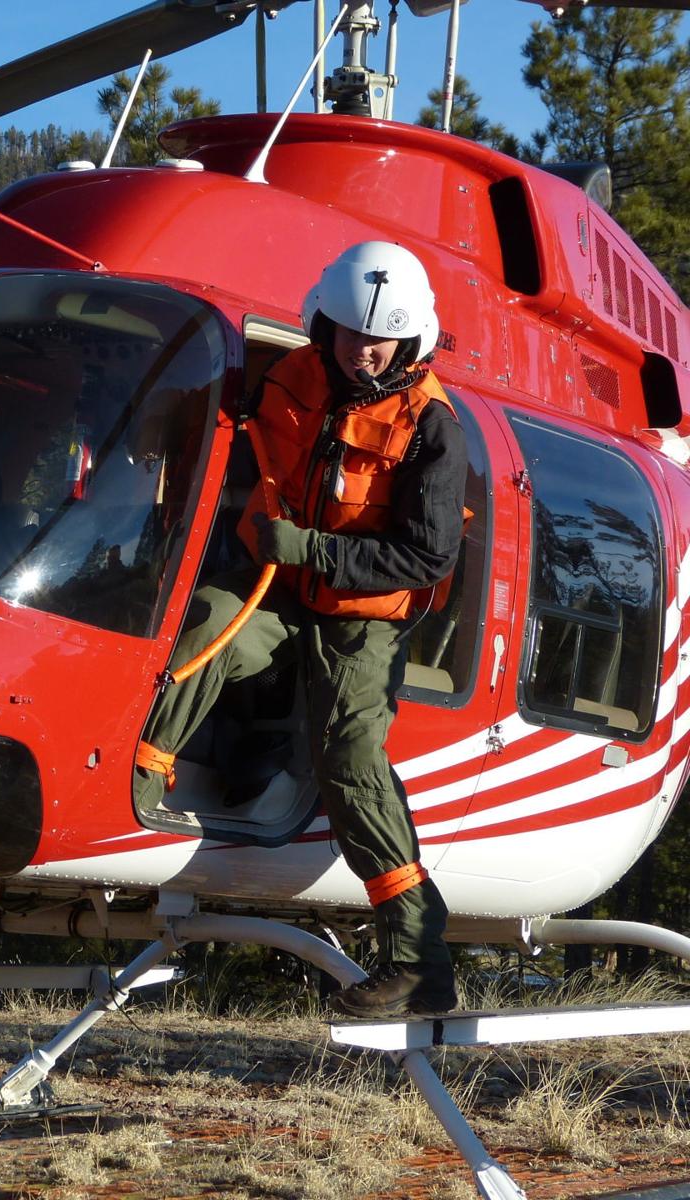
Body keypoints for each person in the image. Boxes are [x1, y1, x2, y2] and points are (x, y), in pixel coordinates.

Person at [134, 241, 468, 1018]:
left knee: (350, 756)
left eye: (381, 339)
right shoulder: (290, 374)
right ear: (326, 326)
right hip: (281, 591)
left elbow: (427, 555)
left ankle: (418, 959)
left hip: (363, 616)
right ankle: (135, 785)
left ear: (410, 340)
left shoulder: (432, 428)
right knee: (207, 625)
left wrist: (312, 549)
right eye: (352, 334)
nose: (364, 350)